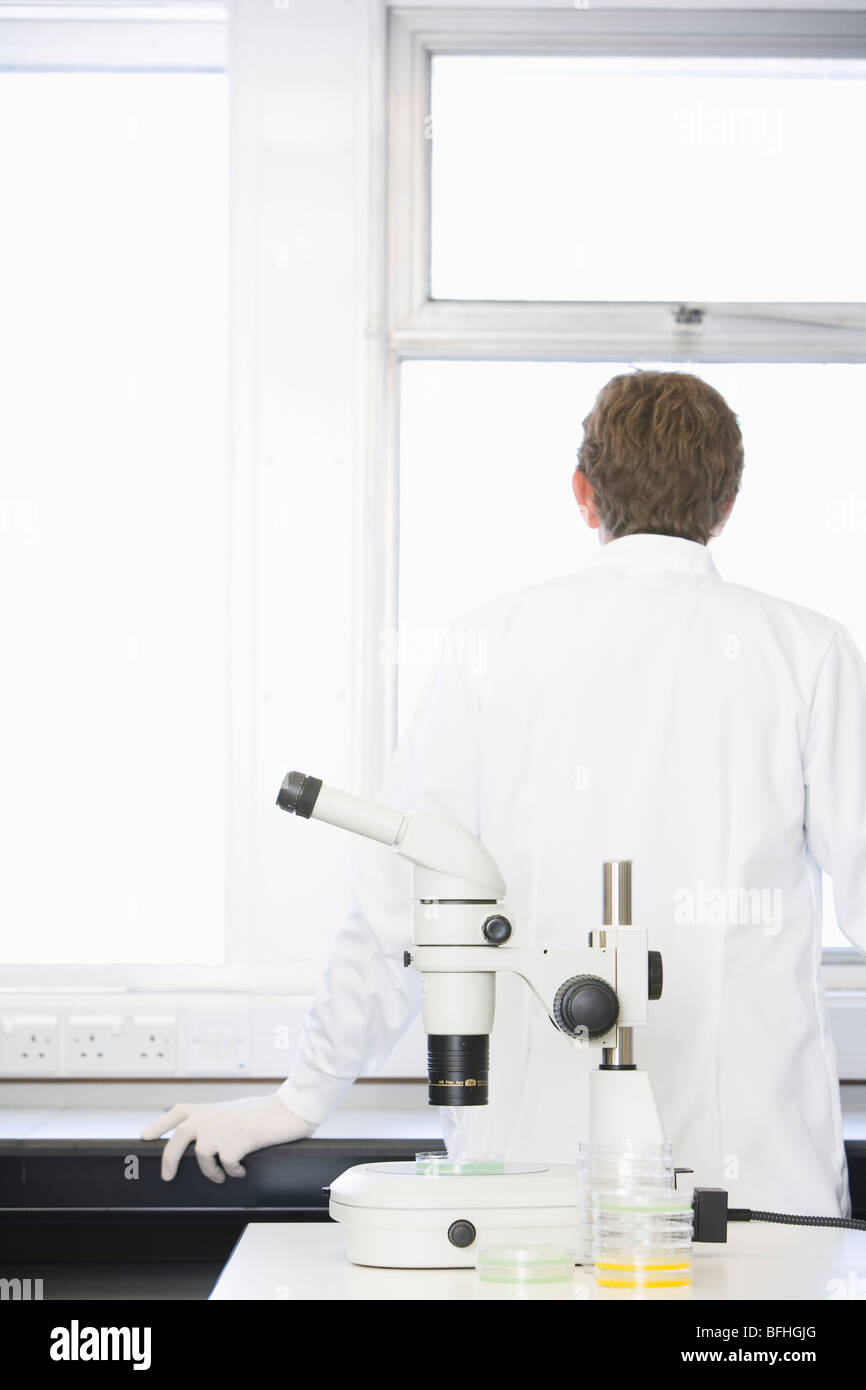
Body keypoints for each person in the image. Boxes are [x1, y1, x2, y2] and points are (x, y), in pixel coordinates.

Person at [143, 370, 866, 1216]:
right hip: (757, 1181)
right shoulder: (806, 653)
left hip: (539, 1191)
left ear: (582, 492)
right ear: (728, 504)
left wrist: (300, 1098)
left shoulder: (492, 642)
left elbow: (401, 898)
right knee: (749, 1355)